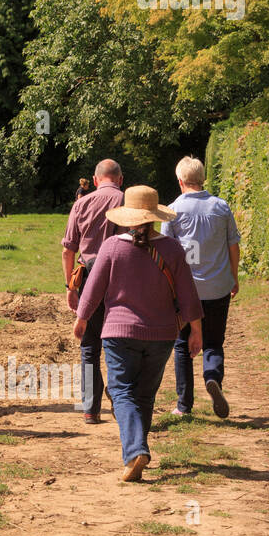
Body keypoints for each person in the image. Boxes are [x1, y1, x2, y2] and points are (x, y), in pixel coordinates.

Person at [74, 186, 204, 482]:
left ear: (127, 218)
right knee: (144, 394)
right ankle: (138, 450)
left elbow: (92, 291)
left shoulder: (111, 247)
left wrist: (81, 320)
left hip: (119, 333)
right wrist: (195, 331)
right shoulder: (172, 248)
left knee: (121, 391)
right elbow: (188, 294)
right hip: (162, 335)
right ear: (156, 217)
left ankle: (135, 452)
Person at [161, 156, 240, 419]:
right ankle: (212, 376)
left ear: (180, 181)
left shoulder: (172, 210)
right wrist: (234, 276)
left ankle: (184, 405)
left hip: (185, 291)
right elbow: (233, 246)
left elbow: (166, 252)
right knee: (214, 341)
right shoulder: (221, 207)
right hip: (217, 286)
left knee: (182, 345)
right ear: (203, 178)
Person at [62, 159, 126, 424]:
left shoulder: (81, 203)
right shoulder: (127, 200)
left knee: (89, 345)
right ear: (120, 179)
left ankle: (90, 408)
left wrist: (70, 286)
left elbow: (68, 249)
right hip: (121, 277)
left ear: (96, 179)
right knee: (119, 340)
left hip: (88, 275)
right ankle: (120, 394)